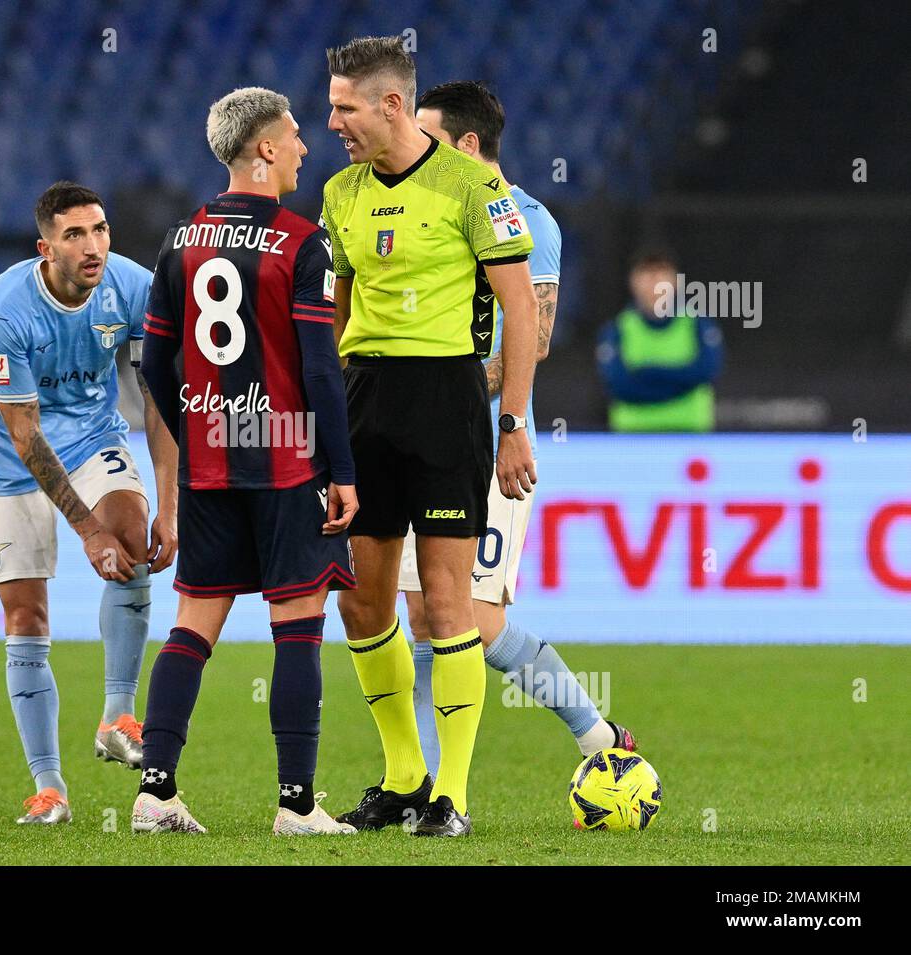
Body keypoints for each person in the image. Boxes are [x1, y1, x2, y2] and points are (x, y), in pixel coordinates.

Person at [321, 38, 538, 837]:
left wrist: (512, 422)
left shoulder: (472, 185)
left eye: (344, 106)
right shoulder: (339, 192)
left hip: (447, 396)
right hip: (364, 397)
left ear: (389, 104)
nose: (333, 121)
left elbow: (522, 308)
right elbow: (338, 307)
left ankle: (453, 793)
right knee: (361, 598)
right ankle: (404, 774)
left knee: (446, 601)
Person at [133, 87, 359, 836]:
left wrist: (199, 423)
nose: (302, 146)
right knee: (297, 624)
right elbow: (322, 369)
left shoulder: (179, 240)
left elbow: (154, 362)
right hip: (288, 460)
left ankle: (154, 792)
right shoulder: (302, 242)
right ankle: (297, 805)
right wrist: (344, 470)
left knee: (192, 624)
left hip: (209, 459)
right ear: (263, 148)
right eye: (293, 135)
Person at [404, 81, 636, 770]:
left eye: (431, 140)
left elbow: (528, 345)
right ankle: (418, 780)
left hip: (491, 444)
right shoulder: (429, 217)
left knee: (474, 621)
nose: (418, 153)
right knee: (417, 616)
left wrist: (437, 394)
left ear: (468, 146)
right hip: (419, 443)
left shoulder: (529, 221)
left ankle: (596, 731)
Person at [0, 181, 178, 825]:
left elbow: (157, 397)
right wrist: (86, 531)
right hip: (8, 456)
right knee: (27, 619)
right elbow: (24, 431)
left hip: (92, 435)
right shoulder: (5, 308)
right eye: (76, 235)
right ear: (45, 247)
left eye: (101, 230)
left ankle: (118, 714)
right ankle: (49, 786)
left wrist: (168, 503)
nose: (94, 247)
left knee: (135, 541)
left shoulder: (133, 288)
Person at [597, 250, 724, 432]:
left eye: (661, 272)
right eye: (647, 274)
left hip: (690, 436)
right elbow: (619, 385)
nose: (654, 281)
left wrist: (646, 374)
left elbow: (706, 371)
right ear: (633, 281)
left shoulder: (698, 324)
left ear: (675, 280)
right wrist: (680, 382)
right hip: (632, 440)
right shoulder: (617, 329)